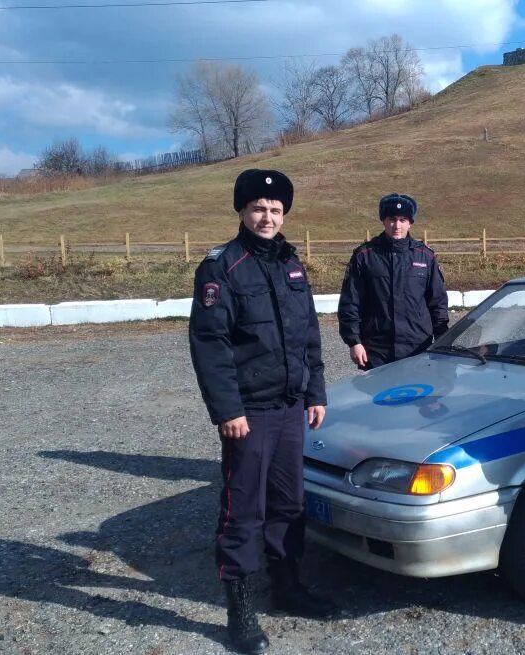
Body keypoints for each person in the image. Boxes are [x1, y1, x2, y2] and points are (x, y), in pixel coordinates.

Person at [188, 168, 334, 654]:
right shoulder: (221, 267)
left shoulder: (293, 265)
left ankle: (289, 587)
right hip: (248, 413)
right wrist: (227, 409)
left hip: (291, 408)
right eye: (258, 209)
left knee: (288, 505)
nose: (267, 217)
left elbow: (309, 335)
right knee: (242, 512)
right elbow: (210, 344)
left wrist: (316, 392)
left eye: (275, 210)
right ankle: (242, 610)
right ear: (241, 211)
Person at [338, 193, 449, 370]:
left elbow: (438, 303)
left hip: (417, 346)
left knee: (419, 397)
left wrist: (443, 340)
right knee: (377, 397)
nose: (397, 225)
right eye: (392, 219)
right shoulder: (365, 256)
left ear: (410, 222)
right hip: (377, 349)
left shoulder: (426, 256)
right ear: (383, 220)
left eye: (403, 220)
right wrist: (354, 342)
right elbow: (350, 303)